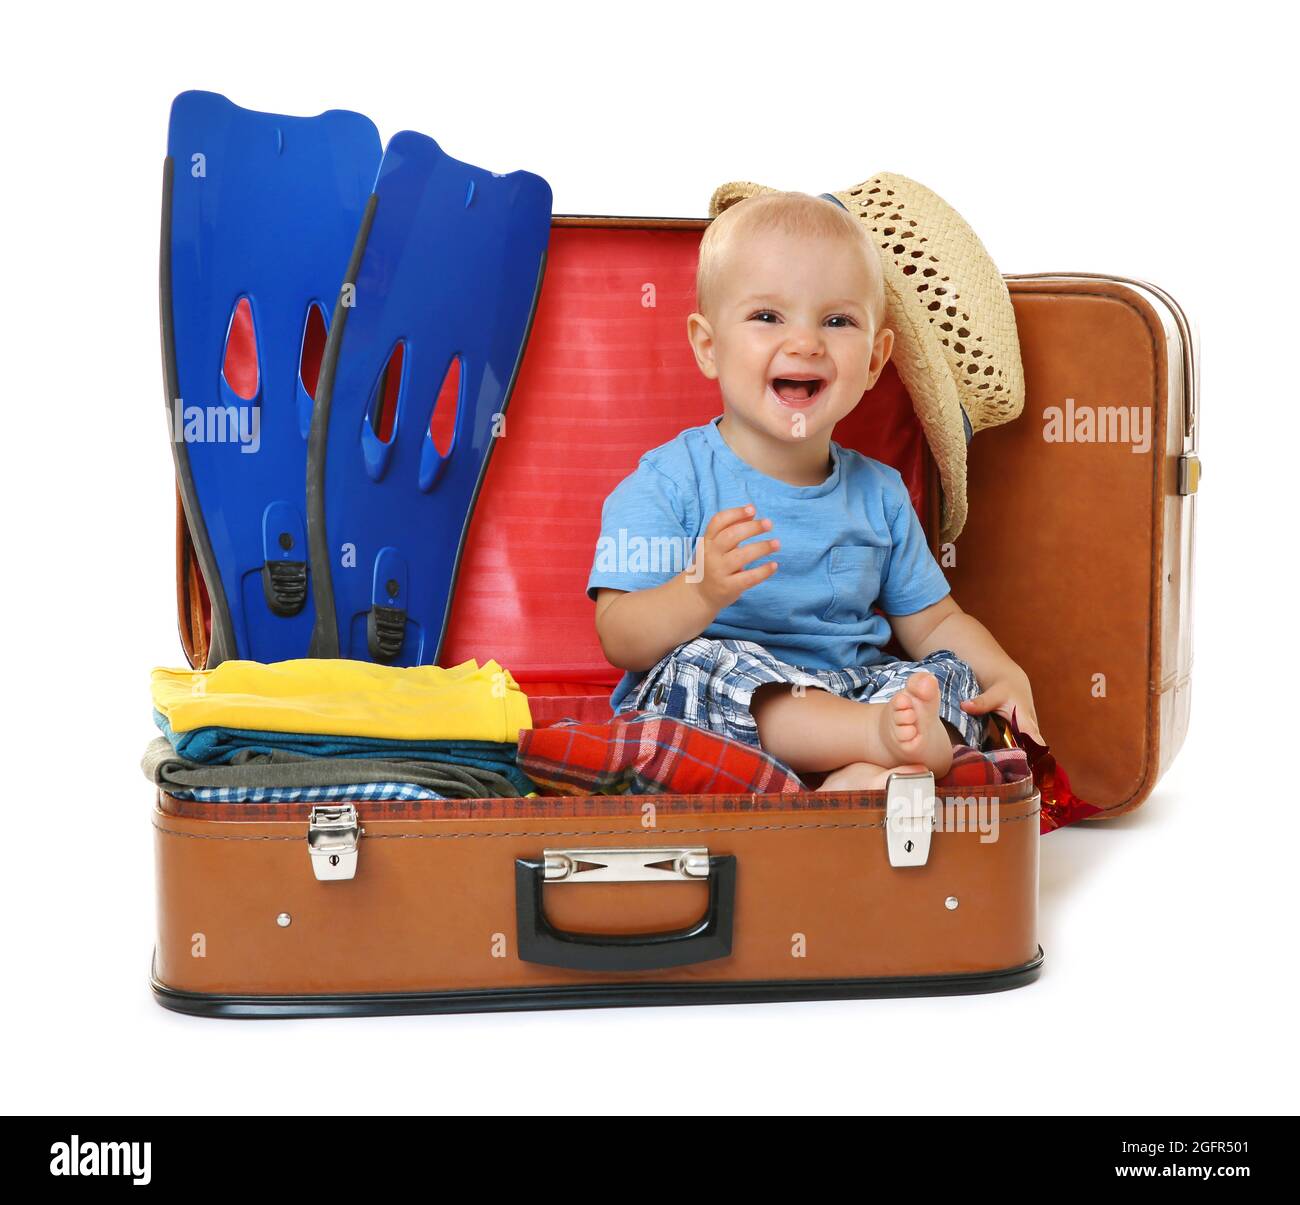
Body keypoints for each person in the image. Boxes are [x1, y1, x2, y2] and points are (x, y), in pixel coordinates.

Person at [587, 191, 1041, 791]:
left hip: (852, 692)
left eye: (837, 321)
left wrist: (1005, 672)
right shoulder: (670, 481)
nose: (805, 343)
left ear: (876, 360)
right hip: (727, 723)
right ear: (708, 346)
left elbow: (932, 624)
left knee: (949, 676)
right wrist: (698, 592)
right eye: (768, 317)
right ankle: (877, 748)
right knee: (701, 665)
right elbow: (620, 637)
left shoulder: (879, 493)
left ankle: (855, 779)